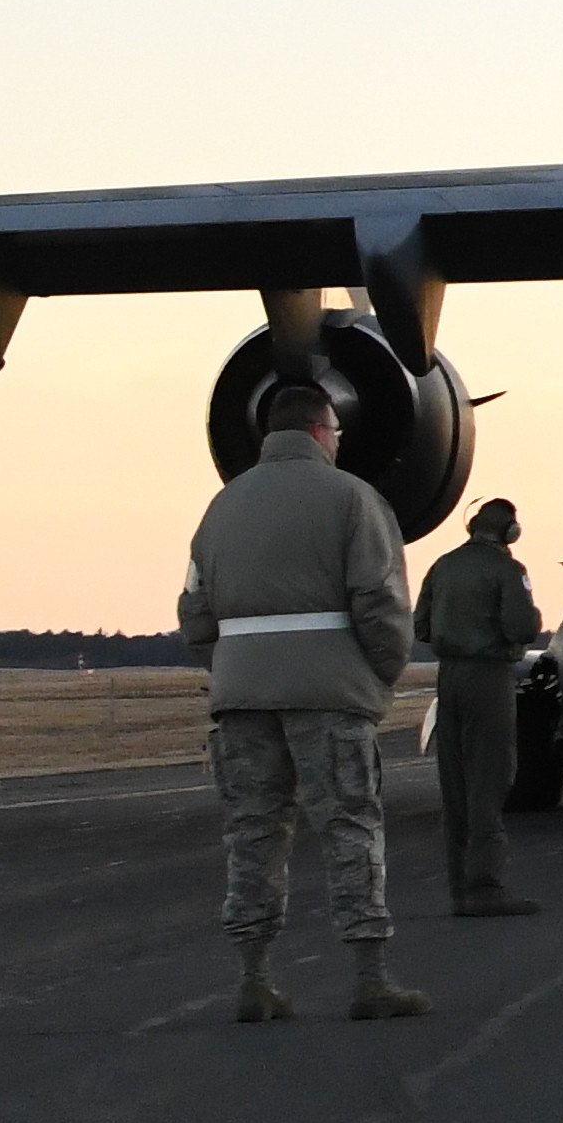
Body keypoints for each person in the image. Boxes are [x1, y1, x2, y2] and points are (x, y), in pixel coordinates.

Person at [179, 369, 421, 1023]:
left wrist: (234, 667)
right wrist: (379, 675)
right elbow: (380, 600)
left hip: (242, 698)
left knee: (253, 833)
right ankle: (370, 978)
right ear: (320, 430)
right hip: (330, 694)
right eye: (336, 431)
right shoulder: (353, 500)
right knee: (349, 827)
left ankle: (254, 978)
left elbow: (194, 609)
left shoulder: (222, 507)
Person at [412, 492, 547, 920]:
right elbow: (521, 627)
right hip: (488, 677)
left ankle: (460, 888)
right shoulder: (508, 570)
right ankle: (485, 886)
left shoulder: (443, 566)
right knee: (489, 779)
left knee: (455, 786)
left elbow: (421, 626)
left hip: (448, 678)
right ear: (511, 531)